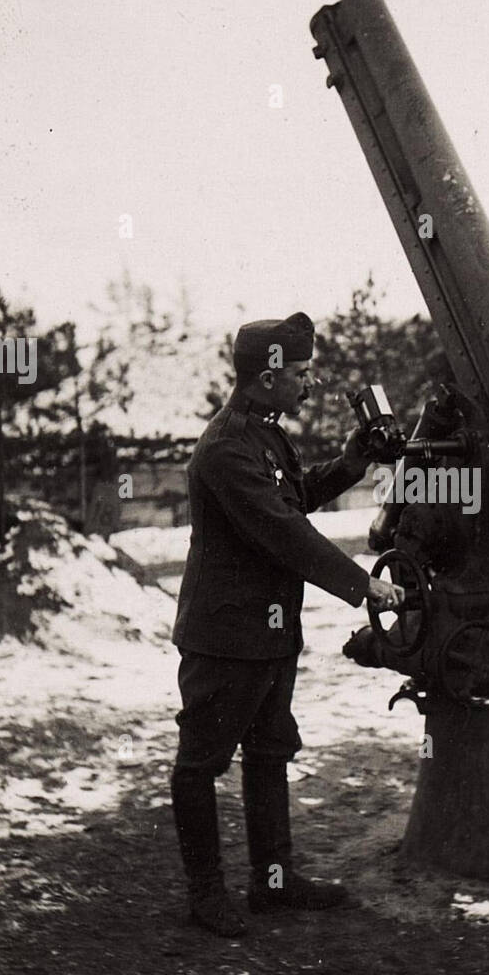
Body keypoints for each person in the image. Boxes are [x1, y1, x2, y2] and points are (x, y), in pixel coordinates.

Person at [170, 312, 404, 937]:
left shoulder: (266, 437)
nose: (309, 382)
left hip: (268, 631)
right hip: (224, 636)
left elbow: (294, 496)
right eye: (300, 373)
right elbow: (282, 530)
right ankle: (205, 894)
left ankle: (273, 883)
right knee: (201, 761)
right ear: (268, 375)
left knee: (269, 751)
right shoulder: (225, 447)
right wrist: (363, 585)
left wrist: (354, 460)